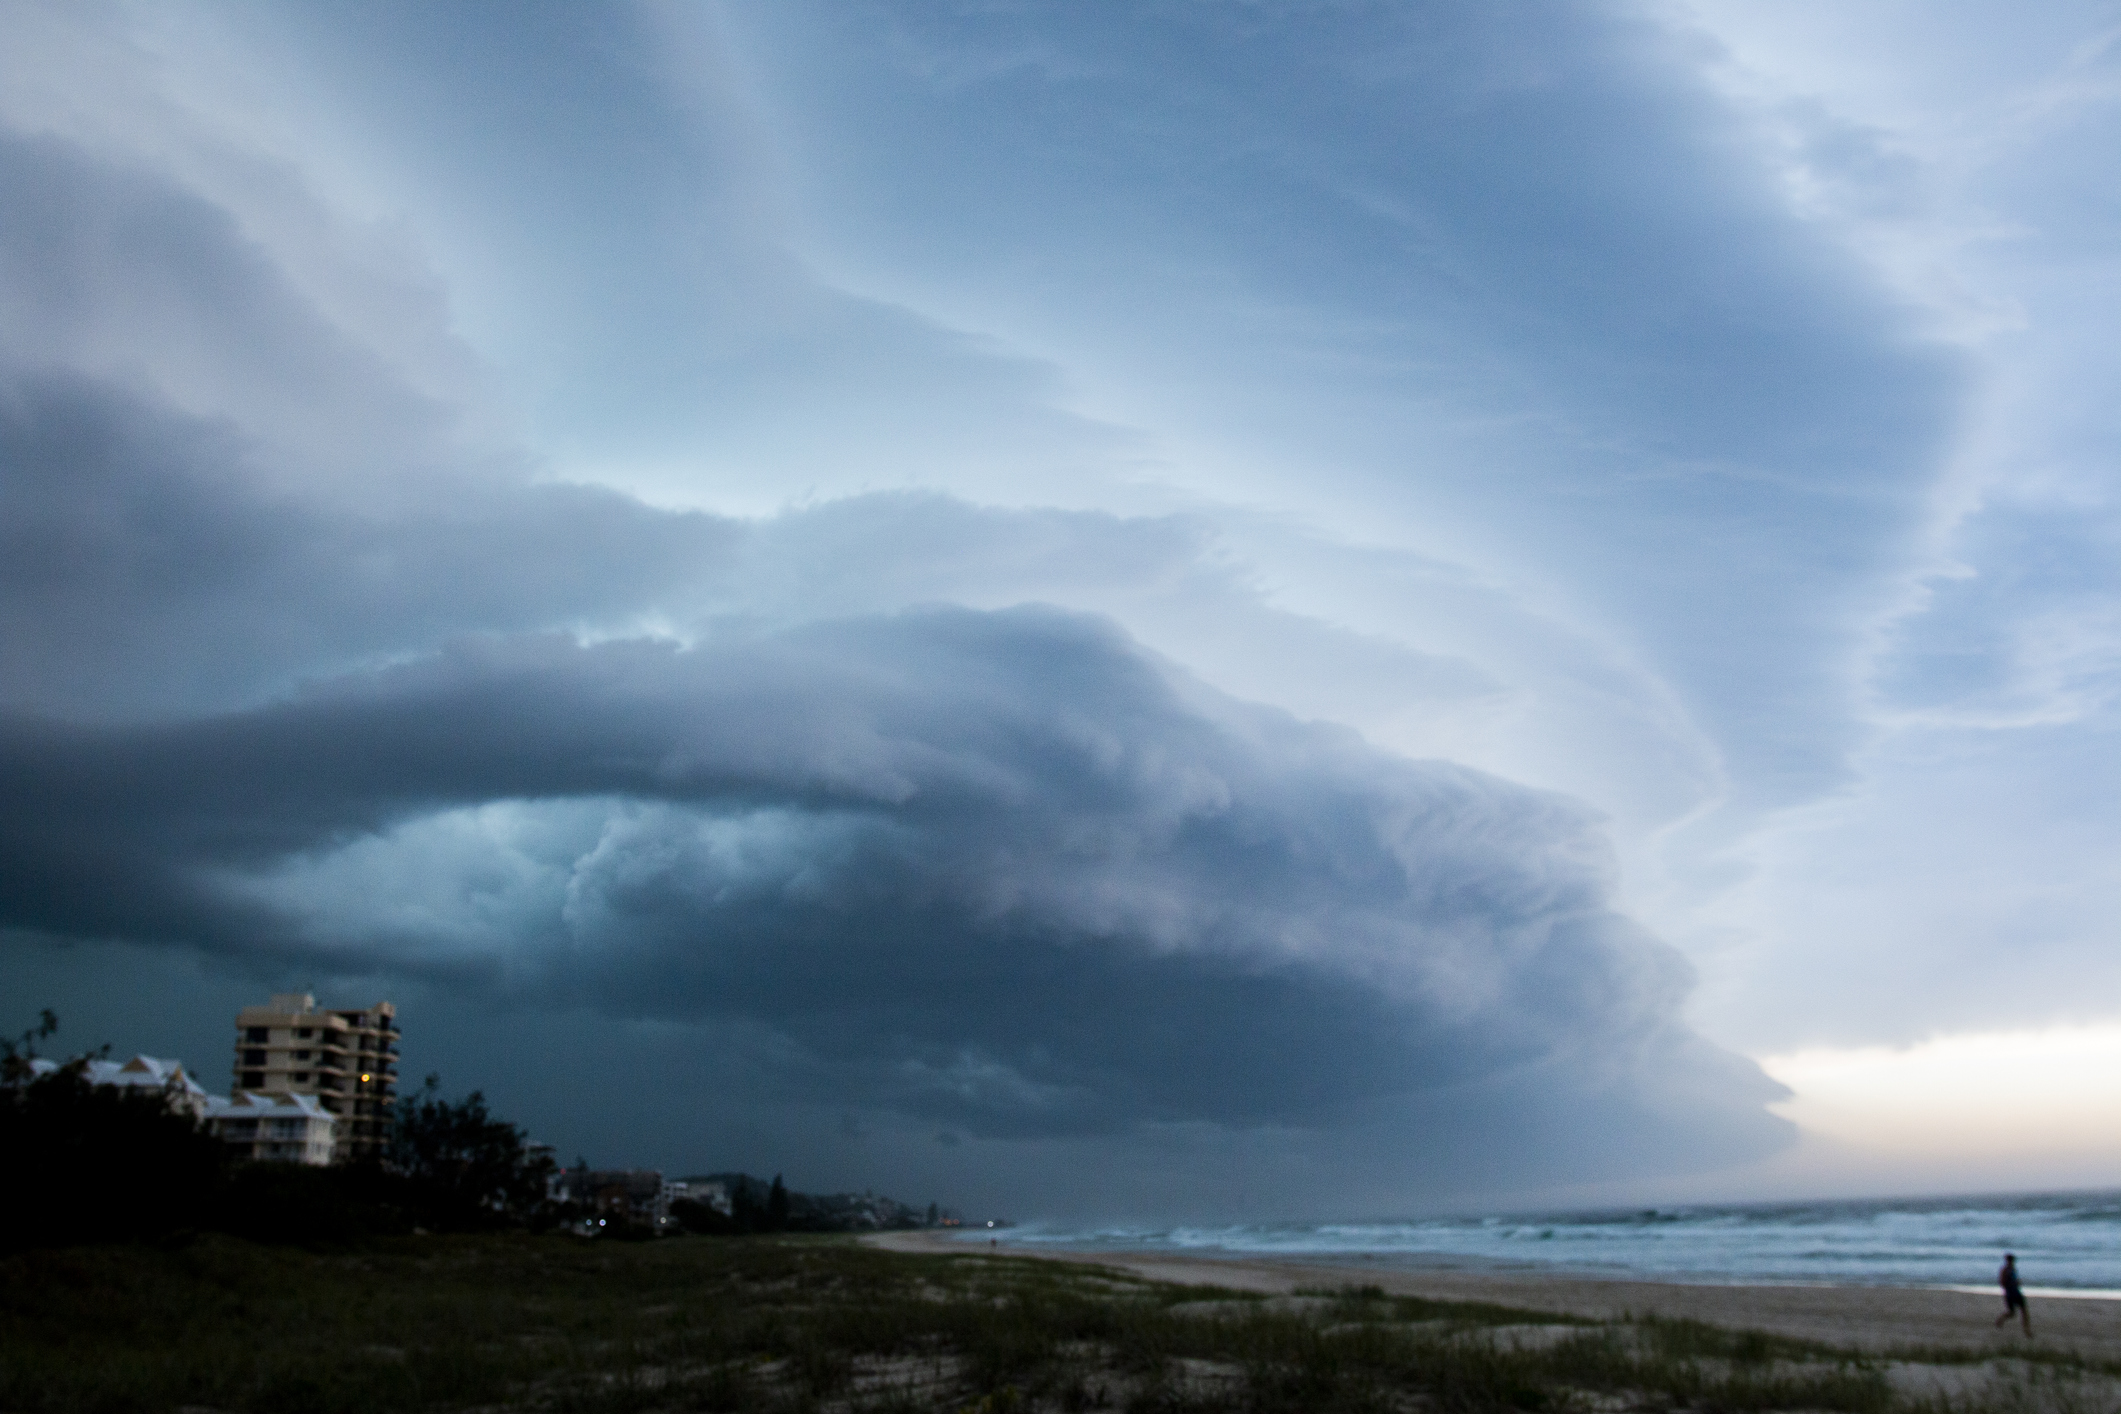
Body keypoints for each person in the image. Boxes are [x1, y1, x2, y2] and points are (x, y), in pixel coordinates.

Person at [1994, 1253, 2031, 1337]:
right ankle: (2000, 1320)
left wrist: (2017, 1283)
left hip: (2016, 1292)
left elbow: (2014, 1280)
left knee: (2024, 1311)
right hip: (2010, 1293)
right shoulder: (2005, 1270)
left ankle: (2027, 1330)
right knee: (2012, 1313)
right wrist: (2011, 1284)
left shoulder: (2013, 1269)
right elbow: (2002, 1282)